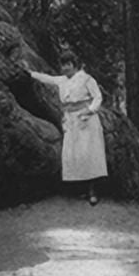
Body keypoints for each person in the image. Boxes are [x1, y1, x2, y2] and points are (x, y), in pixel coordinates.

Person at [29, 53, 108, 204]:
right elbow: (47, 78)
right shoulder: (62, 80)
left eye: (68, 64)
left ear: (75, 64)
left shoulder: (87, 79)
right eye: (63, 65)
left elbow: (98, 97)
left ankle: (93, 191)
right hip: (70, 119)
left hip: (86, 119)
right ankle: (81, 189)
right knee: (74, 154)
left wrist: (90, 110)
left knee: (89, 153)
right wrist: (30, 73)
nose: (65, 68)